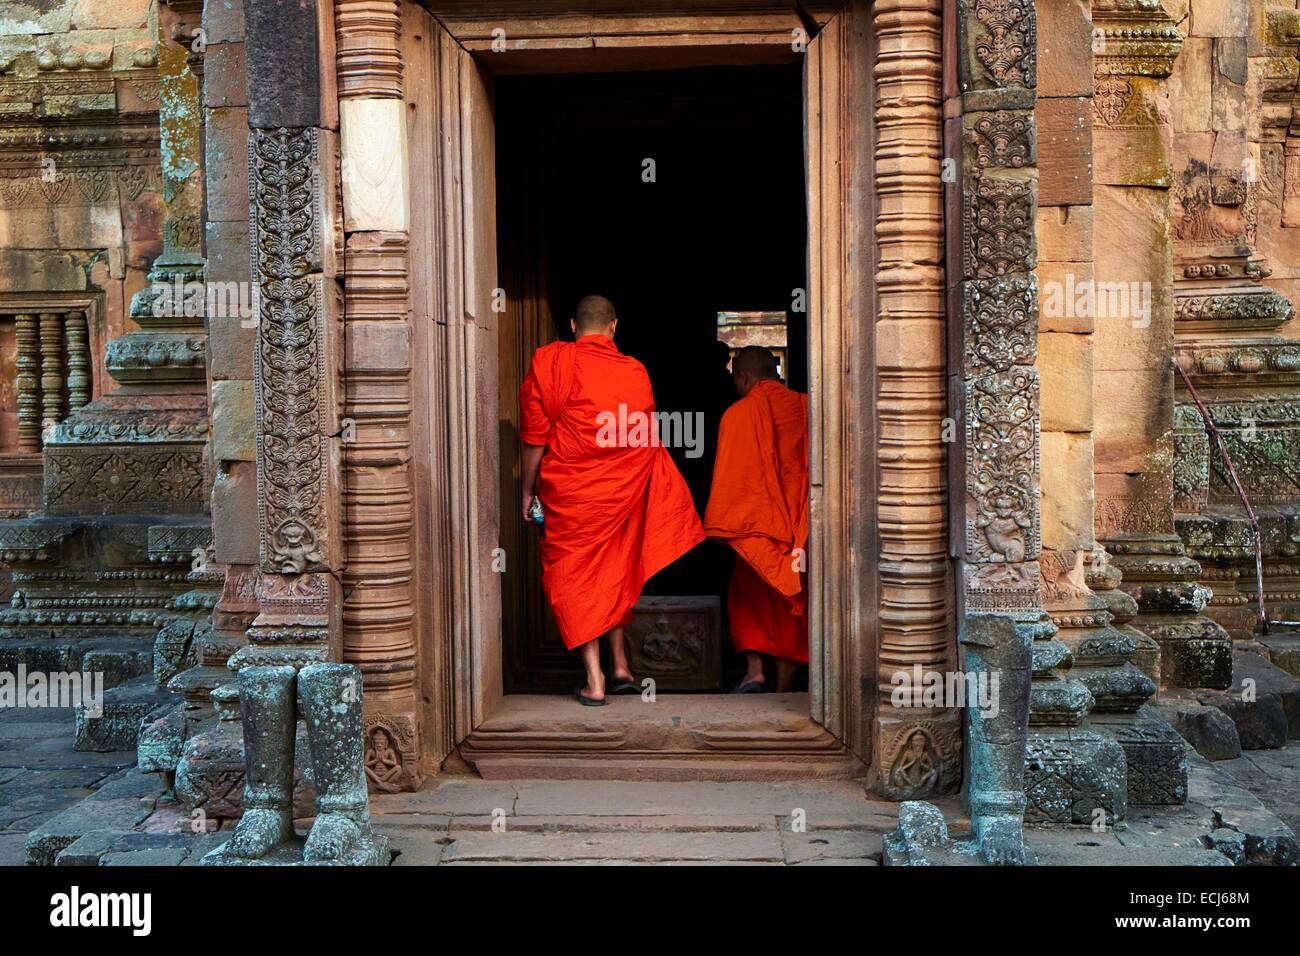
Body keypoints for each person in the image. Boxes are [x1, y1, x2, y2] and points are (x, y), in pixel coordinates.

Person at [519, 295, 704, 705]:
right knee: (614, 572)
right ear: (614, 327)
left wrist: (527, 490)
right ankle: (621, 666)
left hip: (571, 494)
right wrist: (633, 483)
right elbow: (643, 435)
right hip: (621, 493)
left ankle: (596, 680)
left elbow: (534, 438)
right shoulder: (634, 370)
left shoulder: (550, 363)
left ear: (572, 325)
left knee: (576, 578)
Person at [703, 345, 809, 693]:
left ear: (744, 378)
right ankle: (783, 688)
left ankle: (754, 672)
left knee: (746, 597)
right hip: (800, 530)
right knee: (792, 605)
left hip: (759, 527)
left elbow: (736, 479)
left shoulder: (740, 412)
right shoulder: (807, 407)